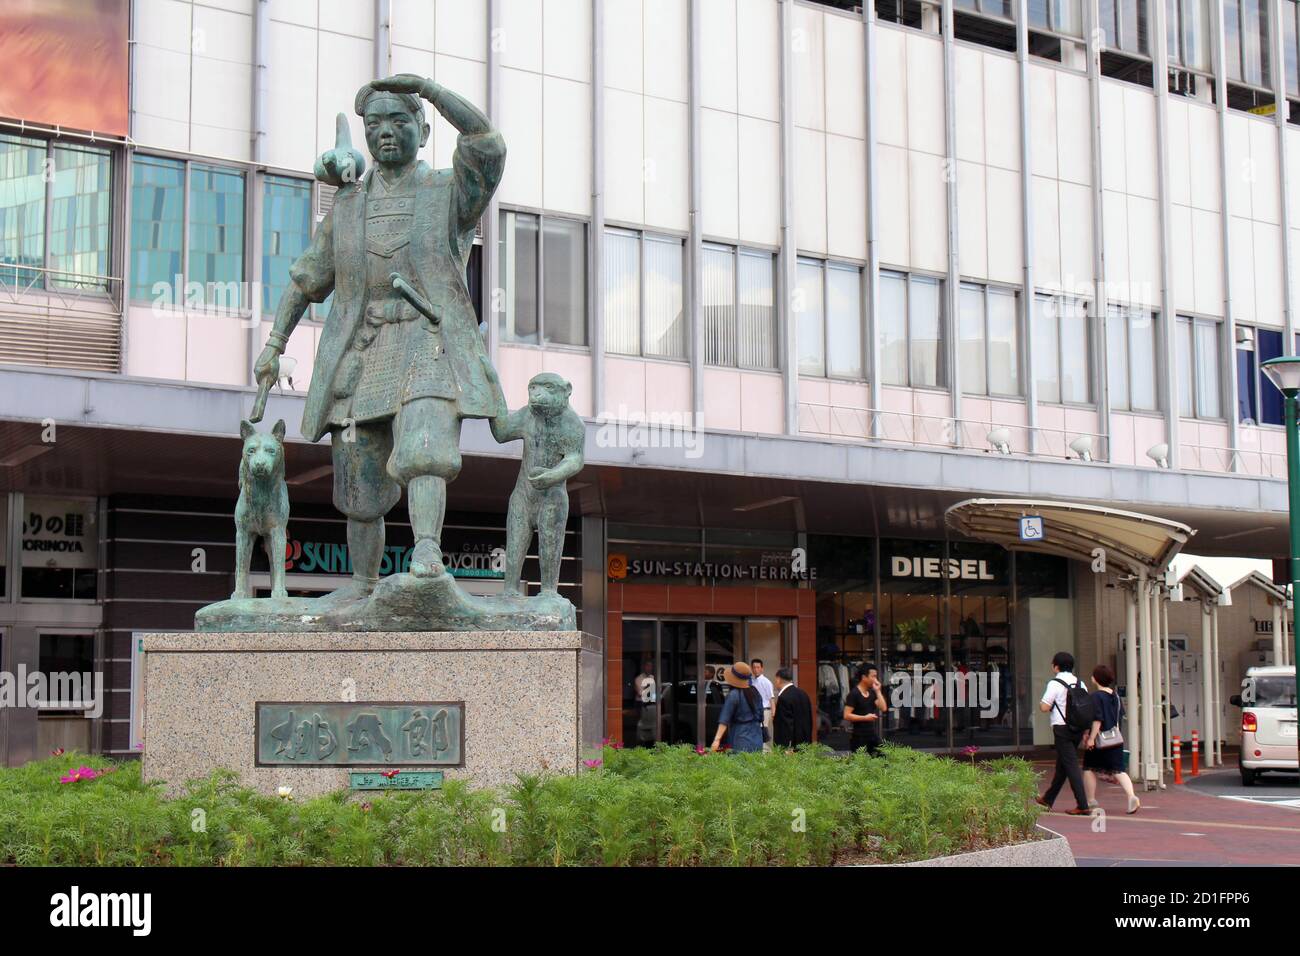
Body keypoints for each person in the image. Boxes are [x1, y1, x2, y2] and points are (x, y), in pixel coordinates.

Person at [251, 73, 506, 594]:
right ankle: (363, 583)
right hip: (362, 350)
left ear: (422, 129)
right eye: (374, 124)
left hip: (427, 340)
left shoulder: (447, 193)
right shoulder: (346, 206)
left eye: (398, 120)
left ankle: (428, 552)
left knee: (424, 445)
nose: (385, 132)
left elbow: (487, 145)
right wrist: (275, 345)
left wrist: (430, 89)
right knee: (357, 472)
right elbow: (305, 278)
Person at [1036, 651, 1091, 815]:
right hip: (1078, 729)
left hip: (1062, 729)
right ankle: (1048, 798)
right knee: (1063, 765)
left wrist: (1043, 704)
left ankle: (1082, 804)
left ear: (1056, 666)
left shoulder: (1055, 683)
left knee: (1071, 765)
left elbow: (1045, 707)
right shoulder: (1080, 683)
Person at [1083, 664, 1140, 814]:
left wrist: (1091, 738)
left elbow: (1097, 720)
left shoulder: (1095, 697)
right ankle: (1131, 796)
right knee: (1119, 770)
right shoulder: (1116, 696)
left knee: (1088, 768)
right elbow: (1119, 718)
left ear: (1095, 679)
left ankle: (1091, 800)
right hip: (1115, 739)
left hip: (1100, 740)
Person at [710, 662, 765, 753]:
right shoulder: (755, 692)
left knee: (739, 765)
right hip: (757, 737)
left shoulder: (733, 695)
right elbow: (761, 716)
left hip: (740, 738)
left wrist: (716, 740)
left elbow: (724, 720)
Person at [844, 664, 887, 755]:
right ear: (864, 677)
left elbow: (883, 708)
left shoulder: (871, 693)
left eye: (876, 676)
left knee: (884, 757)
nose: (875, 679)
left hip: (871, 735)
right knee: (860, 765)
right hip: (858, 737)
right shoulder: (854, 694)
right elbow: (846, 715)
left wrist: (878, 691)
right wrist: (865, 718)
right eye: (873, 676)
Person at [772, 667, 813, 748]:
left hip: (790, 747)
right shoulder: (803, 694)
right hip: (805, 743)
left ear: (778, 679)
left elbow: (785, 726)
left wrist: (786, 747)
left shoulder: (783, 697)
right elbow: (809, 719)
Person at [751, 658, 775, 752]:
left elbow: (771, 699)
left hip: (765, 711)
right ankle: (761, 752)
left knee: (762, 732)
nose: (756, 669)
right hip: (755, 711)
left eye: (758, 667)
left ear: (762, 668)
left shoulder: (766, 682)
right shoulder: (752, 681)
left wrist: (773, 713)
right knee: (757, 732)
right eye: (754, 667)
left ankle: (766, 753)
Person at [633, 659, 657, 745]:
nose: (649, 668)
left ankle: (650, 741)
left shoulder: (652, 677)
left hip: (651, 703)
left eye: (651, 666)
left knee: (650, 722)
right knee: (641, 722)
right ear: (644, 667)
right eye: (648, 666)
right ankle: (639, 742)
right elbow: (641, 692)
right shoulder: (639, 678)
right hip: (641, 703)